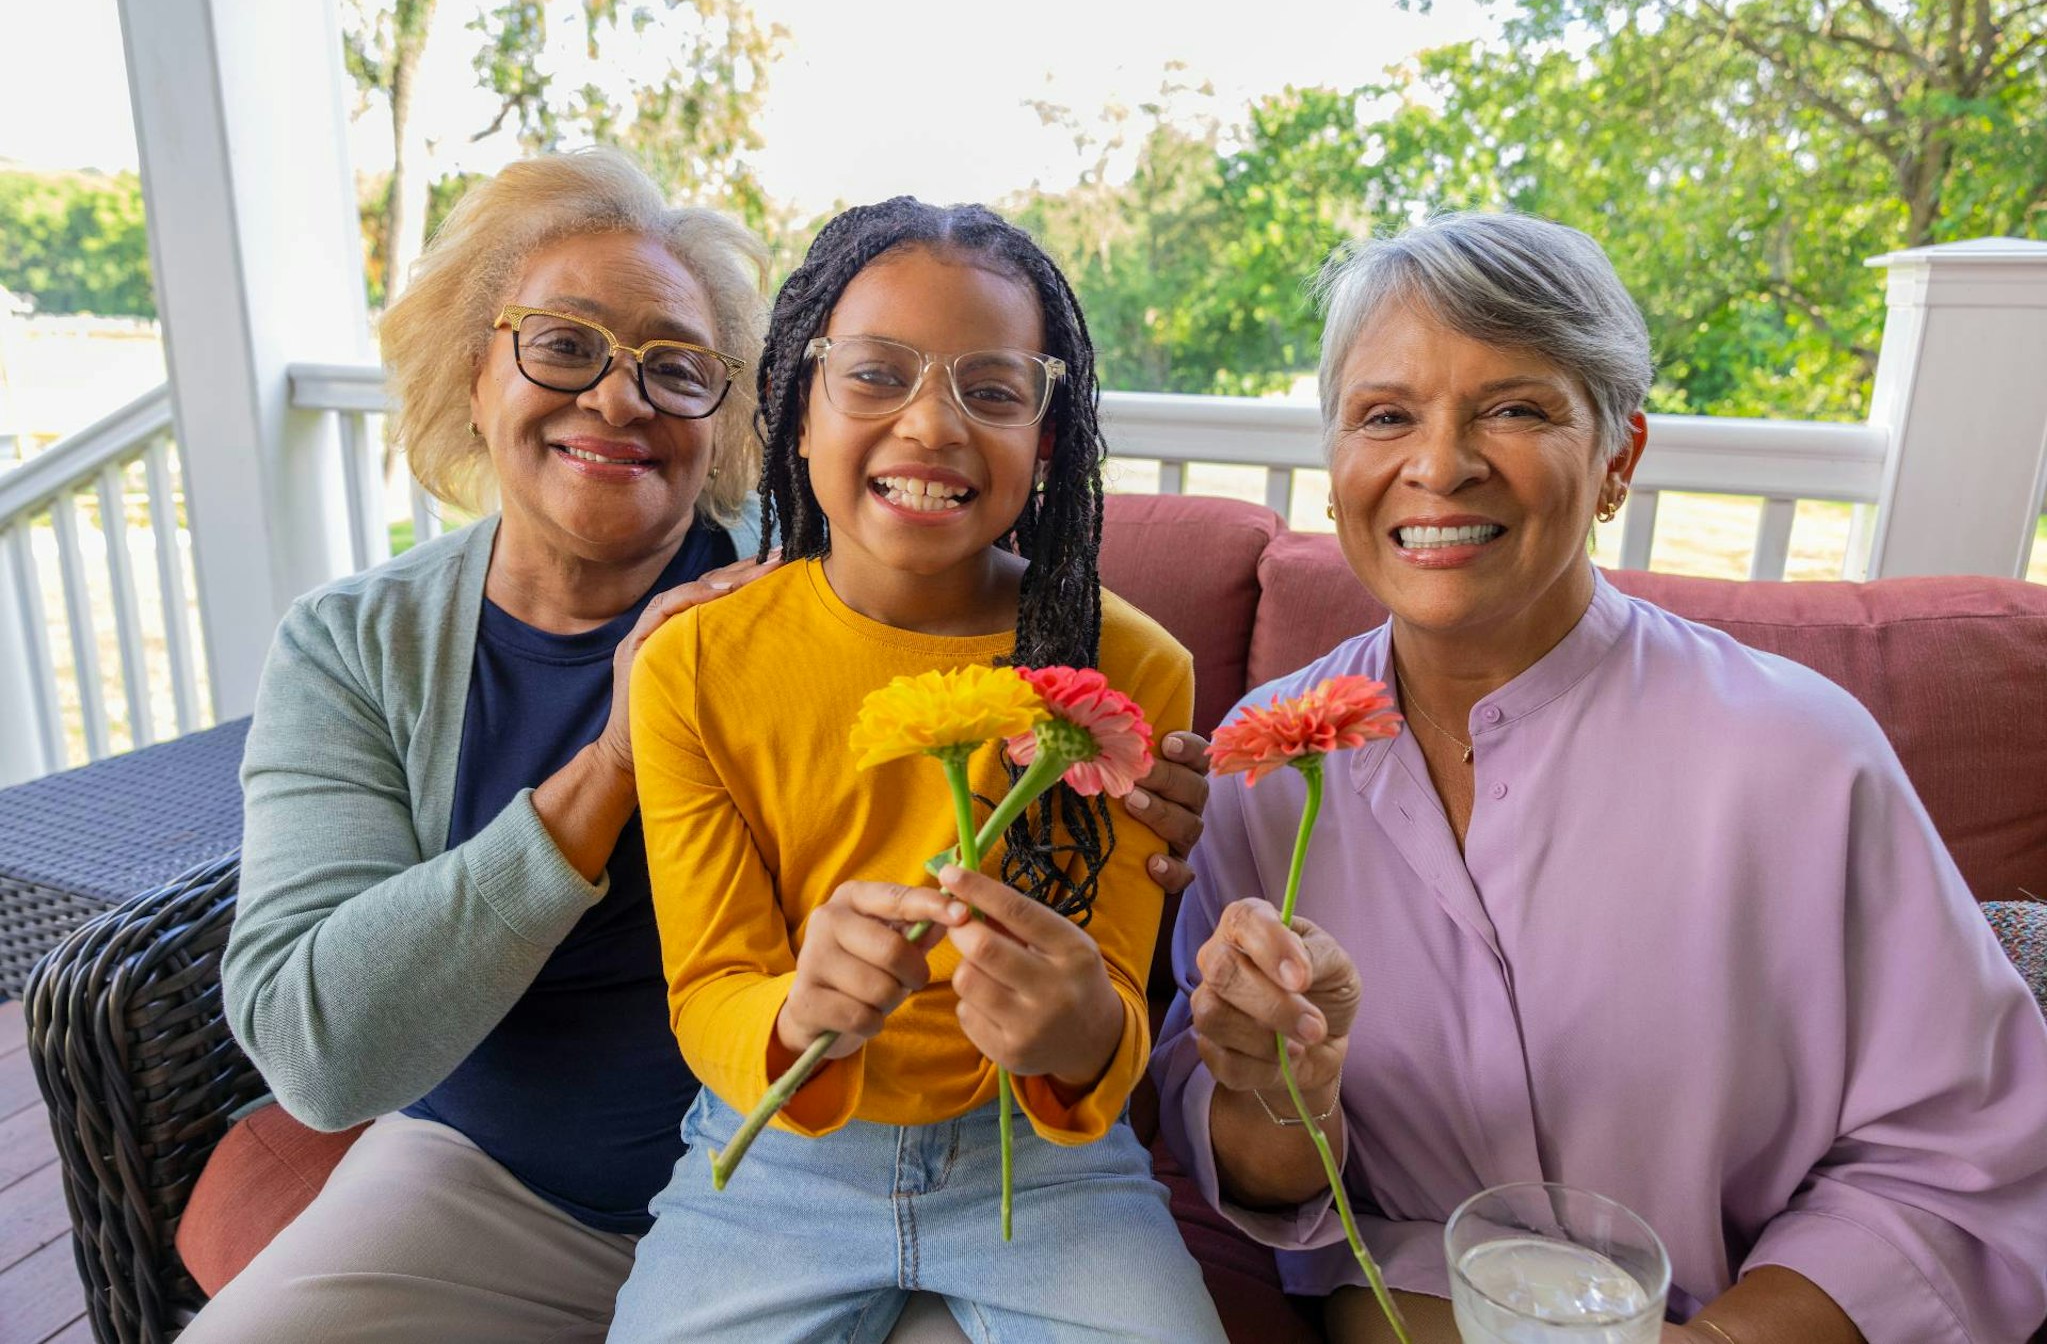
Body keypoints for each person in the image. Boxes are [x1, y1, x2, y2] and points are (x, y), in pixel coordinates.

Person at [187, 151, 1211, 1344]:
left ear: (736, 409)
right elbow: (319, 1051)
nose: (618, 401)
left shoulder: (842, 566)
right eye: (562, 345)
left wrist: (1131, 794)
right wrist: (608, 763)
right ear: (471, 372)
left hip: (929, 1160)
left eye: (674, 368)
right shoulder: (373, 647)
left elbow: (931, 547)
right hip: (537, 1177)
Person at [1152, 212, 2047, 1344]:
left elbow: (1964, 1158)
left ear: (1618, 455)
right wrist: (1283, 1092)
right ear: (1333, 465)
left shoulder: (1798, 755)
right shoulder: (1264, 767)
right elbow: (1251, 1166)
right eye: (1385, 416)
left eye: (1513, 408)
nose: (1438, 465)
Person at [609, 199, 1230, 1343]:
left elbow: (1121, 1011)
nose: (931, 426)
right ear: (798, 412)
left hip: (1044, 1161)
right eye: (875, 375)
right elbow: (708, 988)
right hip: (777, 1147)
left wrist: (1079, 1025)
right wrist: (799, 1012)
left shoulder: (1130, 667)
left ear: (1046, 442)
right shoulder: (692, 668)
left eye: (991, 391)